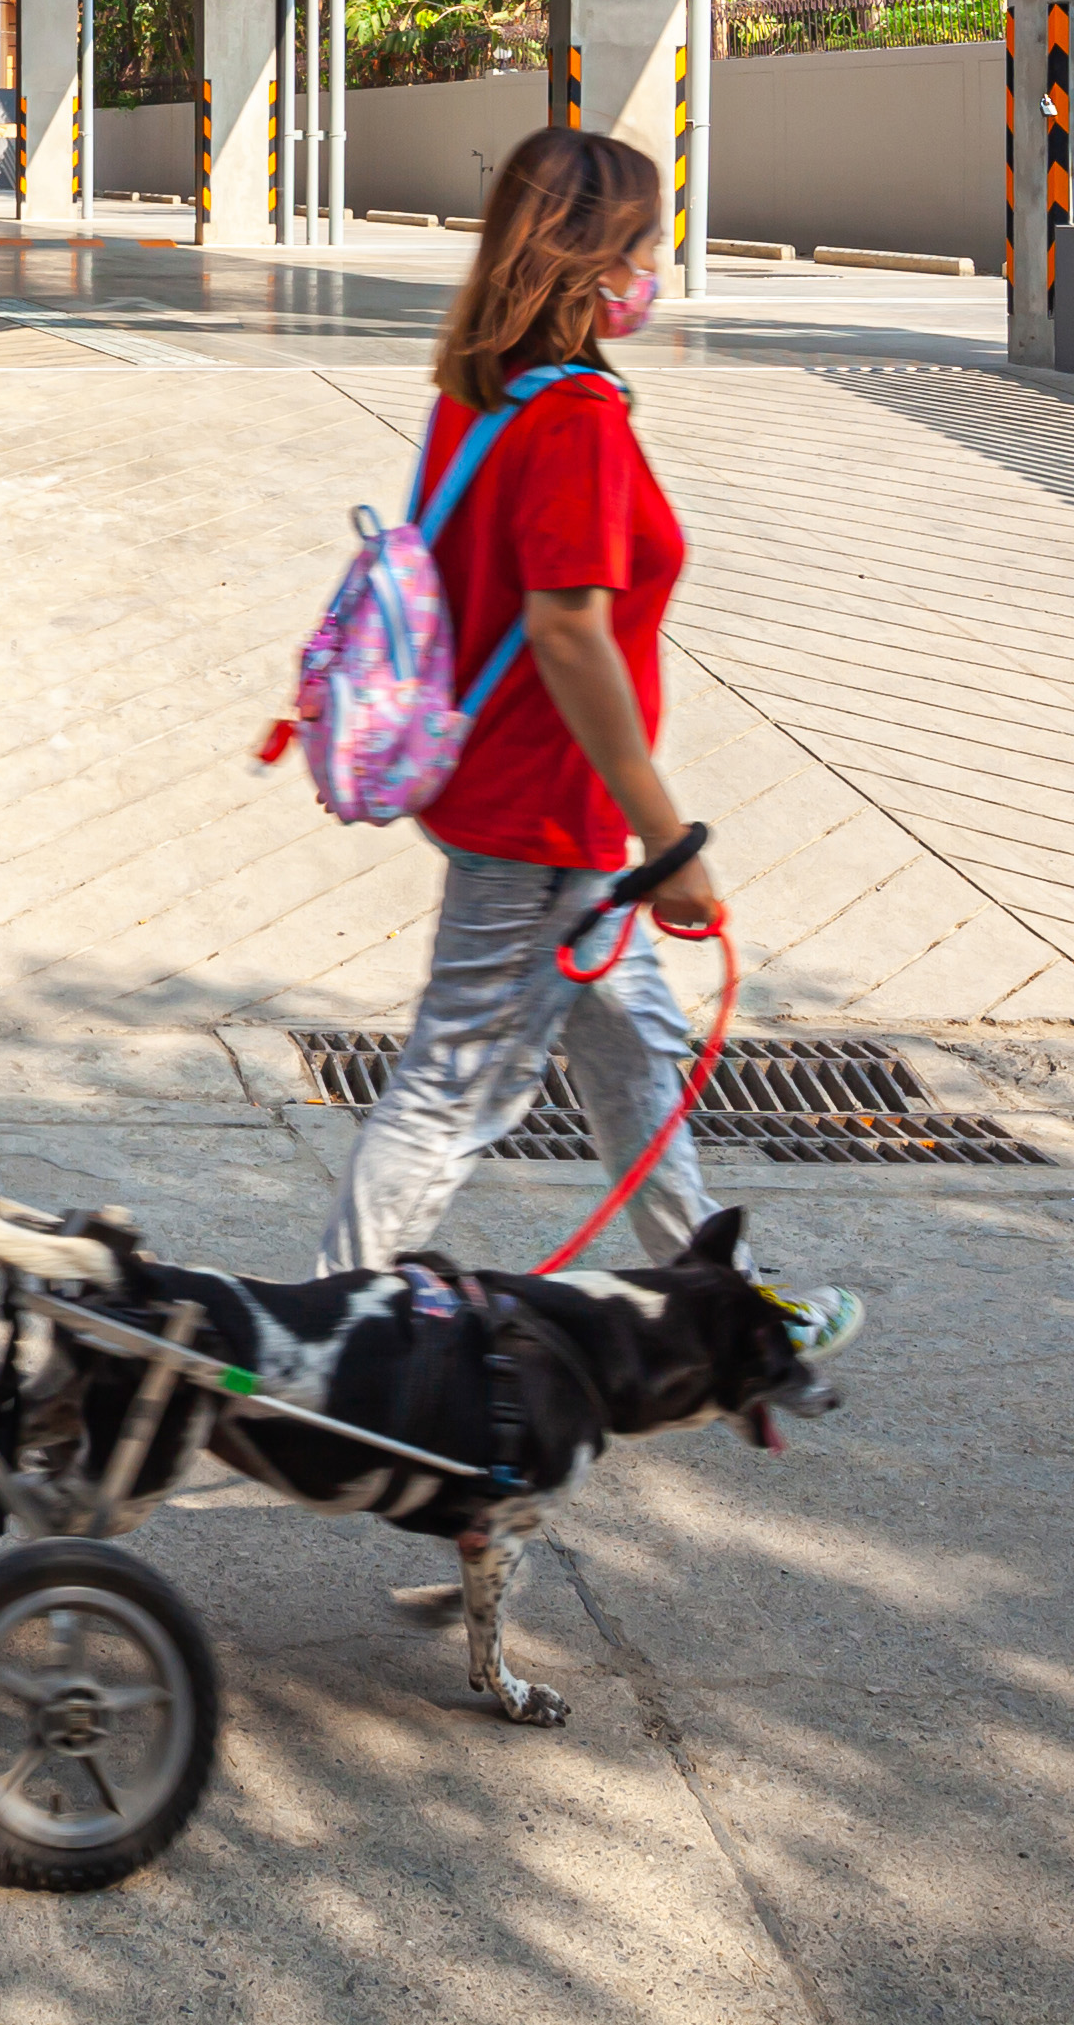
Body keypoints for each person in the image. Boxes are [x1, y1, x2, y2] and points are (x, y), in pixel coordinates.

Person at [324, 118, 729, 1282]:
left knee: (634, 1054)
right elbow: (566, 630)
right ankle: (319, 1342)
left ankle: (714, 1313)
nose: (650, 273)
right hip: (543, 816)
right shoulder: (574, 421)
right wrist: (669, 837)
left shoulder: (481, 387)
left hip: (528, 798)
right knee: (448, 1090)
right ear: (593, 260)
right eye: (641, 248)